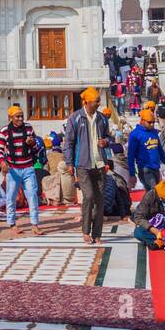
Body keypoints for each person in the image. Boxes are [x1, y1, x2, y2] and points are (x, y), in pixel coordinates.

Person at [62, 87, 109, 244]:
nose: (98, 104)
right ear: (87, 101)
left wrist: (106, 142)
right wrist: (69, 163)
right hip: (82, 165)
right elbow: (68, 143)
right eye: (96, 101)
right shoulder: (75, 118)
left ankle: (97, 234)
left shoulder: (102, 119)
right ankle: (85, 231)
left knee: (100, 199)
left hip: (100, 163)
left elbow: (109, 137)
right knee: (88, 196)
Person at [0, 104, 43, 235]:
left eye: (22, 116)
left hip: (28, 167)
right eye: (17, 116)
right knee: (11, 197)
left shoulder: (28, 128)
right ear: (11, 118)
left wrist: (32, 143)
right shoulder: (4, 131)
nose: (21, 118)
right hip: (13, 169)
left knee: (32, 195)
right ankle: (12, 224)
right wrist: (2, 162)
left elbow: (36, 149)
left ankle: (35, 224)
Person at [126, 108, 165, 190]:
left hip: (156, 168)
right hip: (145, 169)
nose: (152, 124)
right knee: (154, 192)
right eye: (149, 122)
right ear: (142, 121)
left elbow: (160, 151)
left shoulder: (154, 132)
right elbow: (130, 155)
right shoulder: (135, 134)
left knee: (155, 193)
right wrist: (132, 174)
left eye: (153, 122)